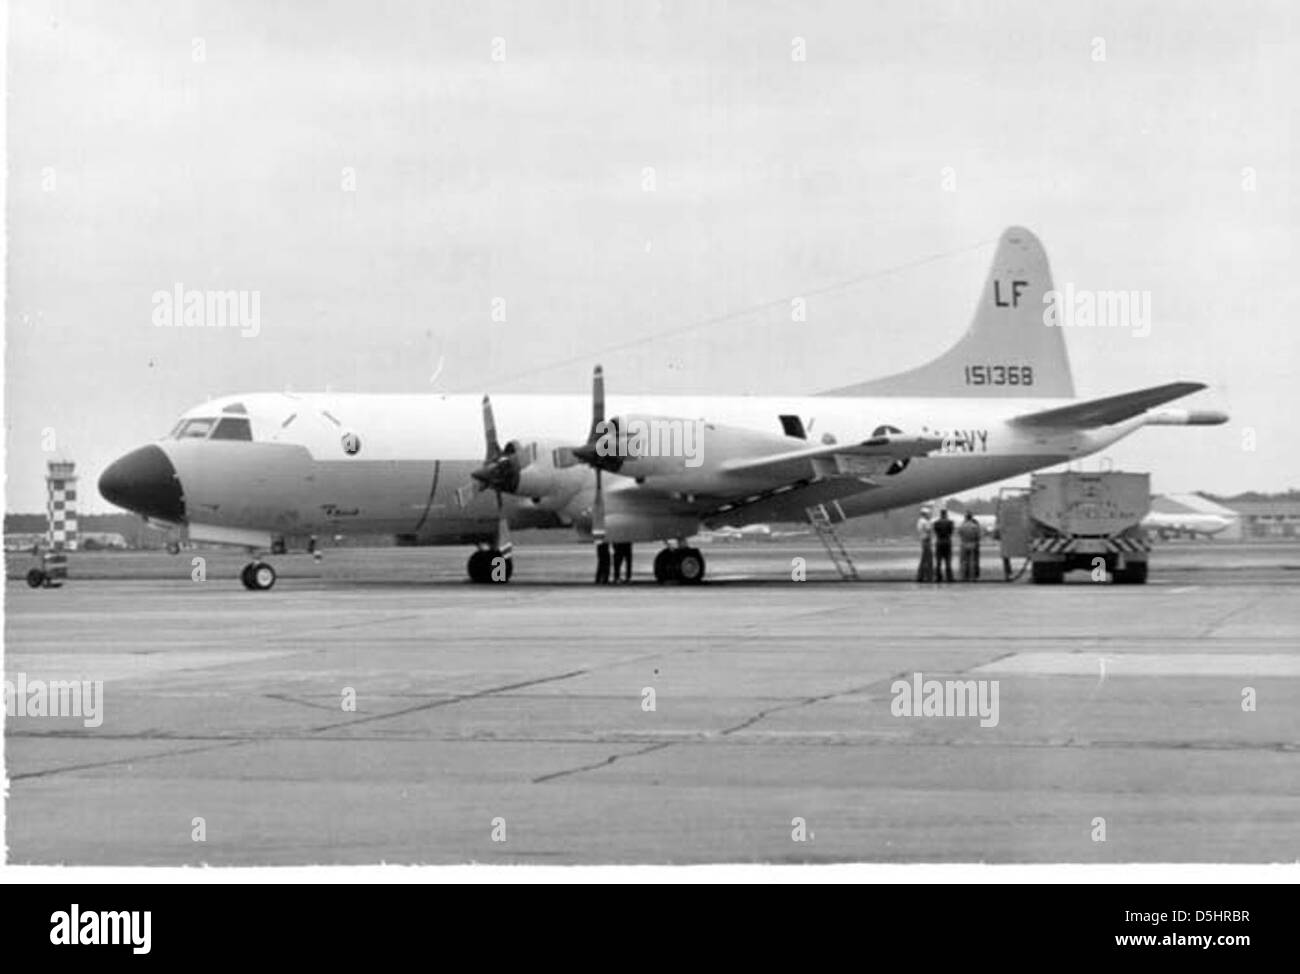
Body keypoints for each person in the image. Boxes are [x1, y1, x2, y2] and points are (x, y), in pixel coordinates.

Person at [932, 508, 955, 583]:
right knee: (948, 560)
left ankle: (938, 577)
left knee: (938, 561)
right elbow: (951, 532)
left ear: (940, 514)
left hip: (939, 541)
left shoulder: (936, 523)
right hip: (947, 541)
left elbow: (935, 532)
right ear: (946, 514)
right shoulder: (950, 522)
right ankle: (949, 577)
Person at [958, 511, 982, 581]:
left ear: (965, 517)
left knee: (964, 561)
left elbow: (960, 534)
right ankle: (973, 576)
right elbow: (978, 536)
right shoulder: (975, 526)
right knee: (973, 561)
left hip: (964, 543)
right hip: (973, 544)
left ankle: (964, 576)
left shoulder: (962, 525)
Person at [915, 505, 934, 582]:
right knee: (928, 559)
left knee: (924, 559)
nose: (929, 515)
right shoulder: (924, 521)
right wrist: (930, 521)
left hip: (923, 541)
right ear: (925, 514)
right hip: (926, 541)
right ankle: (928, 576)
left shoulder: (919, 521)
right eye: (928, 514)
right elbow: (929, 529)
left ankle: (921, 576)